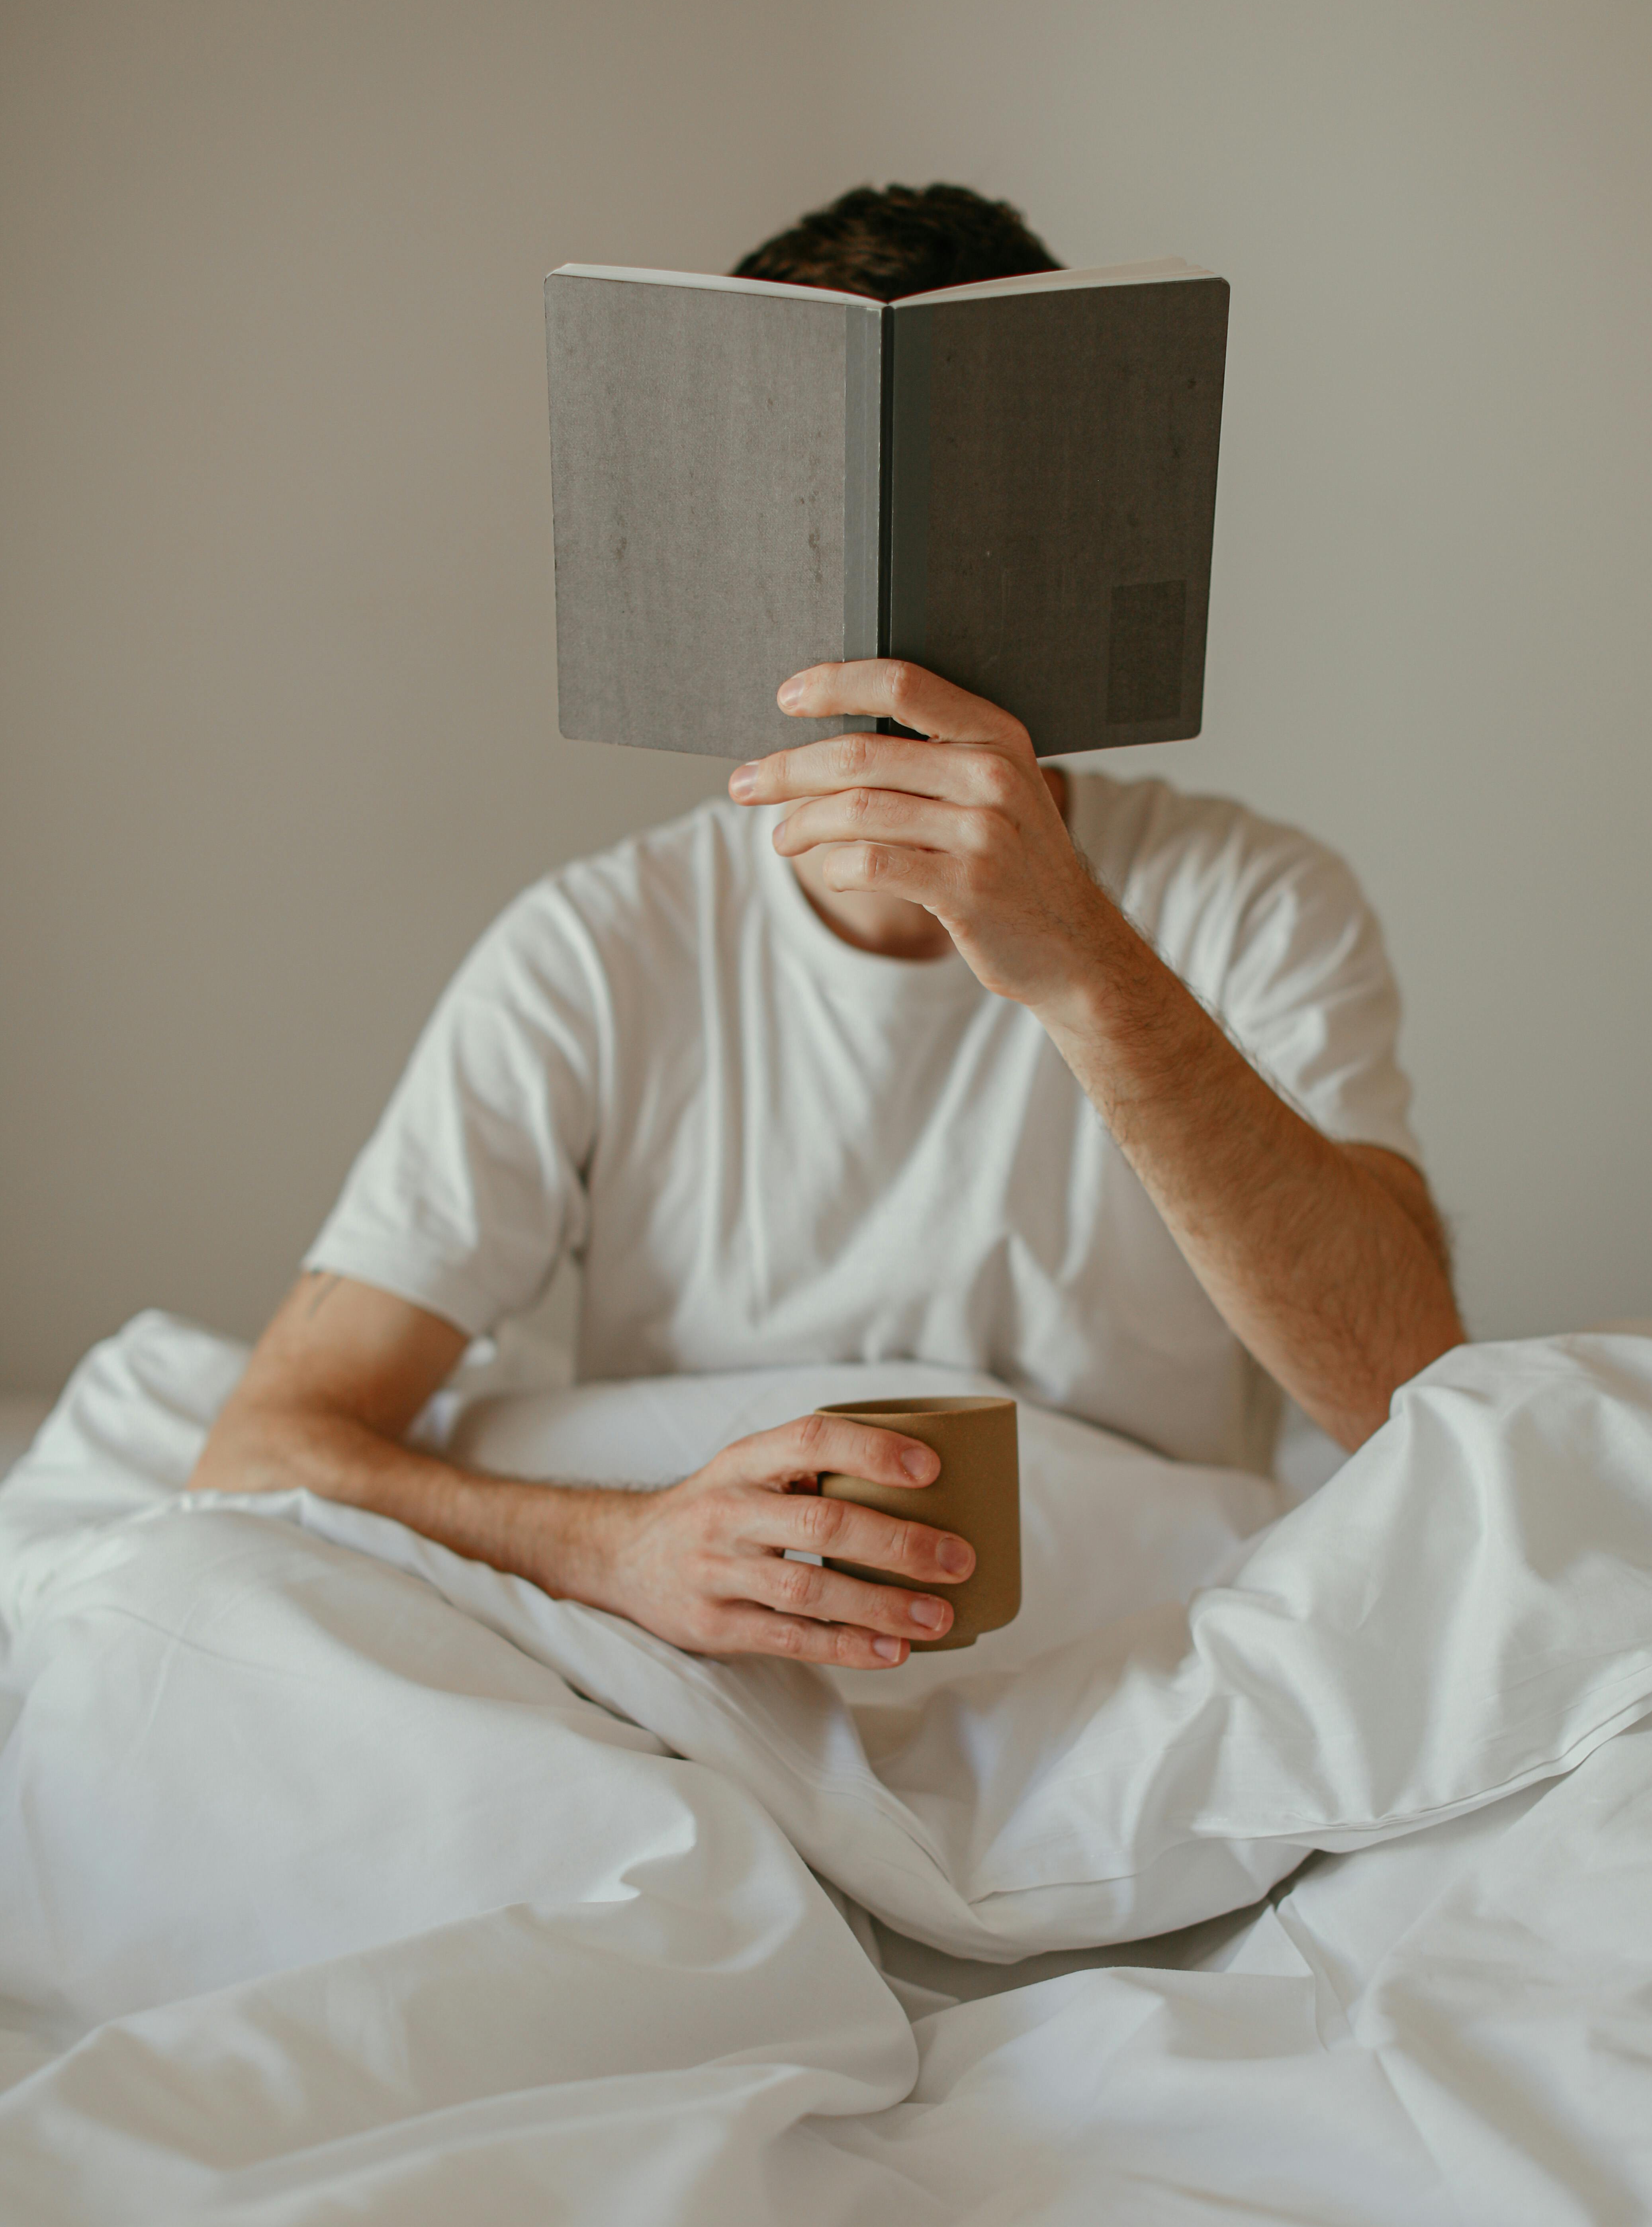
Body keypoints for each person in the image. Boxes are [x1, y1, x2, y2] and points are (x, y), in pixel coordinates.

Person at [192, 182, 1464, 1670]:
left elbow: (1409, 1398)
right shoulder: (591, 952)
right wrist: (620, 1548)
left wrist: (1081, 962)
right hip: (712, 1665)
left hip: (1116, 1649)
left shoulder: (1255, 901)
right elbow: (264, 1448)